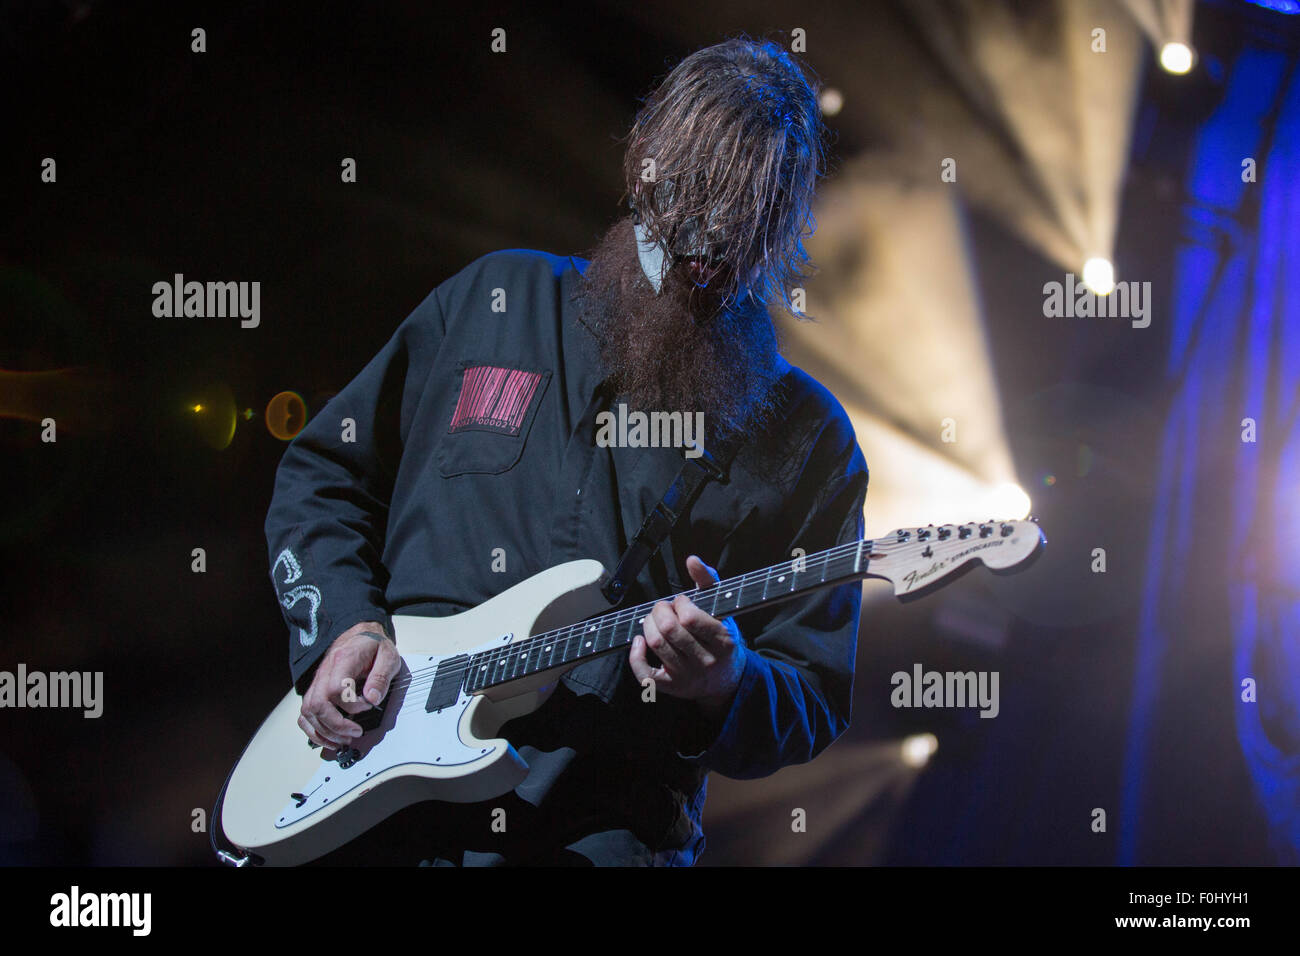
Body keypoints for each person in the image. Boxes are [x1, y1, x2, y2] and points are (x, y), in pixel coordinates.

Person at [264, 36, 868, 866]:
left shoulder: (807, 438)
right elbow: (322, 473)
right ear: (646, 160)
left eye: (743, 214)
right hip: (371, 798)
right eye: (692, 193)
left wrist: (725, 684)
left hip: (598, 836)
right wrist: (340, 628)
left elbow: (812, 695)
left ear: (781, 225)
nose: (707, 236)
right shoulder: (490, 302)